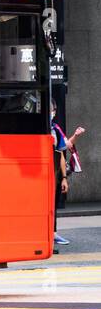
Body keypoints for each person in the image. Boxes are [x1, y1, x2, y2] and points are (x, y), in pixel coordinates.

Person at [51, 100, 85, 251]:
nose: (52, 111)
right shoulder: (38, 127)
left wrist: (64, 178)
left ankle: (53, 234)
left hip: (54, 174)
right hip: (39, 174)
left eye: (53, 109)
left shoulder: (55, 128)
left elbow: (63, 149)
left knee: (52, 206)